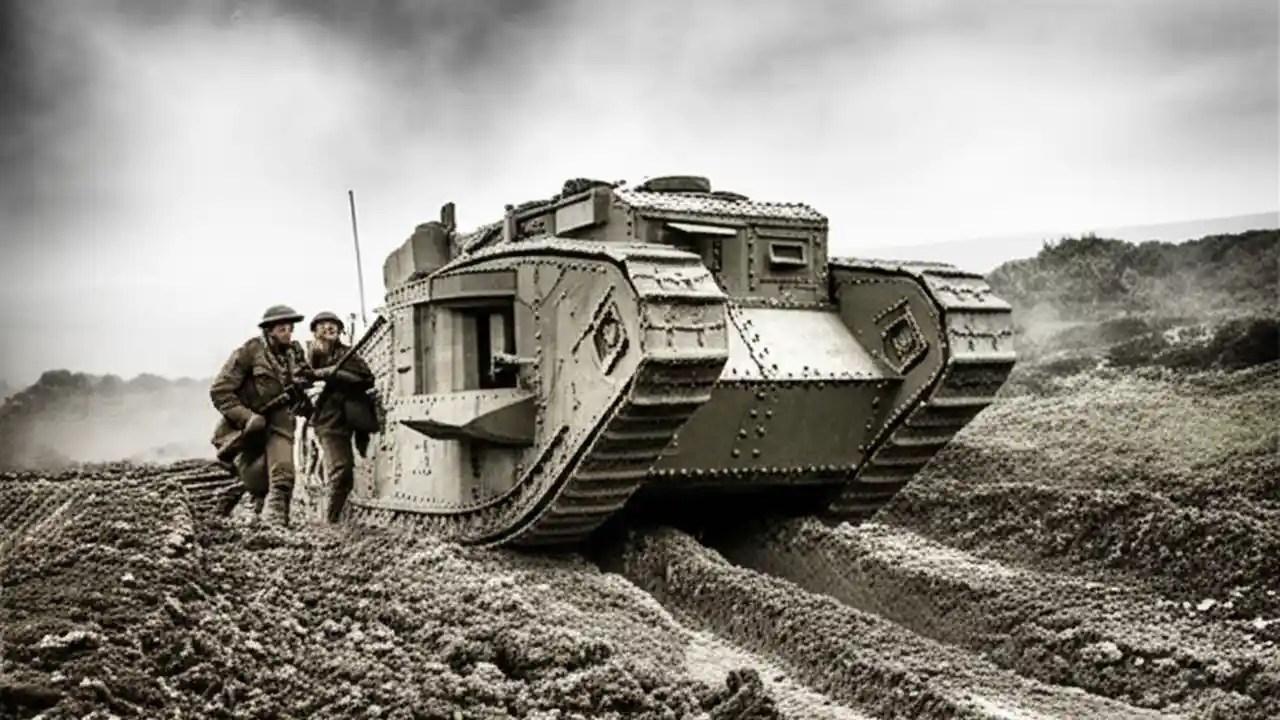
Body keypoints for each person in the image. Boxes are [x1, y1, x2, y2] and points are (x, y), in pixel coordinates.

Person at [209, 304, 314, 526]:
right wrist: (246, 417)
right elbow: (220, 391)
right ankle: (247, 508)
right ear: (269, 330)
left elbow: (306, 378)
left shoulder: (294, 353)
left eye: (290, 328)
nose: (287, 333)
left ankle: (276, 525)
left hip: (281, 422)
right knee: (255, 479)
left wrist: (304, 387)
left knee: (283, 474)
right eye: (282, 329)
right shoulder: (250, 352)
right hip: (250, 426)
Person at [306, 310, 376, 523]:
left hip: (353, 417)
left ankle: (334, 517)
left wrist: (334, 374)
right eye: (323, 325)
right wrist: (316, 379)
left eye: (333, 325)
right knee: (341, 469)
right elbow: (300, 379)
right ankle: (330, 520)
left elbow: (366, 379)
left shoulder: (349, 354)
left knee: (346, 472)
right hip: (328, 421)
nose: (328, 328)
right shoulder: (308, 356)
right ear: (315, 331)